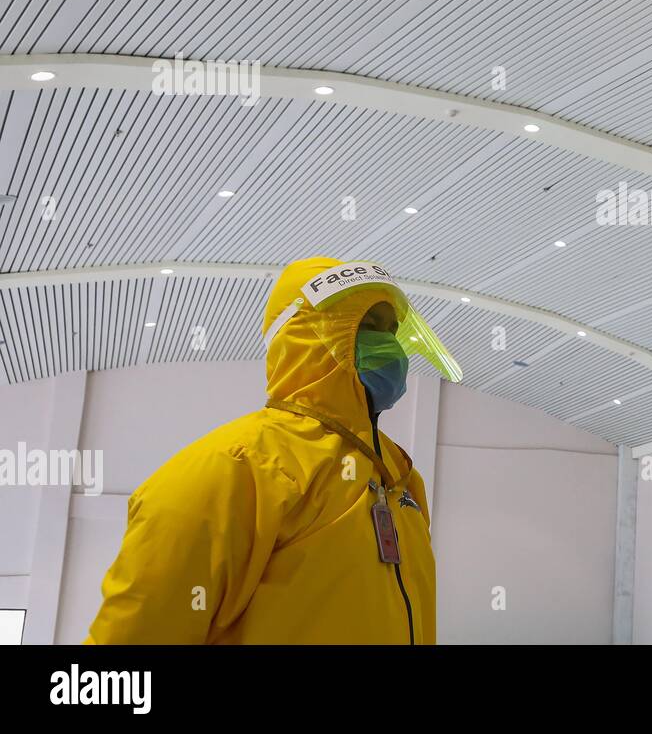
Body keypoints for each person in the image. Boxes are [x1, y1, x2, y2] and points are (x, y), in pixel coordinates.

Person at [85, 256, 462, 644]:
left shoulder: (399, 477)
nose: (388, 345)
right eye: (367, 327)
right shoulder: (236, 468)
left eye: (390, 330)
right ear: (309, 337)